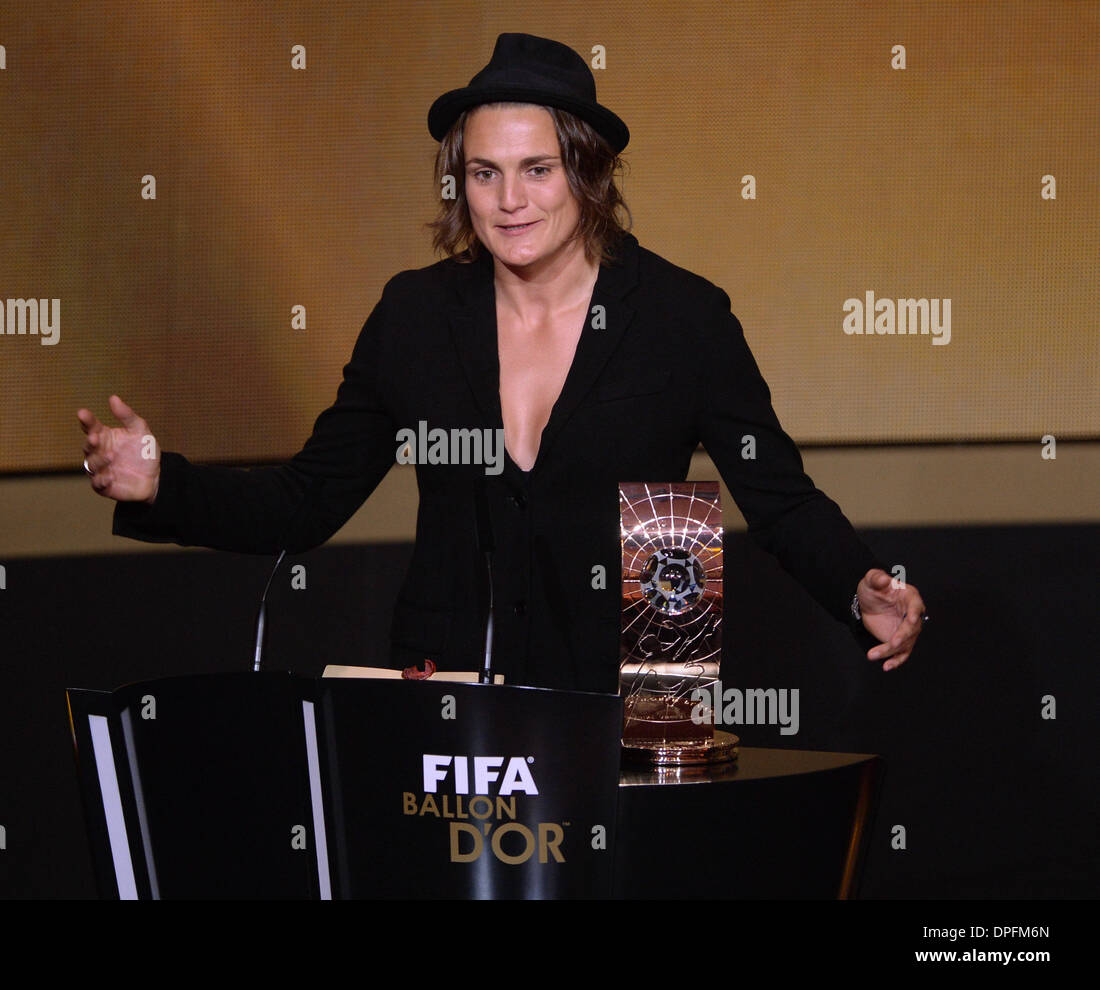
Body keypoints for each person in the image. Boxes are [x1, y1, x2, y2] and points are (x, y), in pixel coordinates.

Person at [77, 32, 926, 693]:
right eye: (484, 173)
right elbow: (309, 499)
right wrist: (165, 485)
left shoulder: (683, 318)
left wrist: (860, 588)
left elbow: (780, 500)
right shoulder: (413, 315)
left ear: (587, 173)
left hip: (633, 705)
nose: (509, 201)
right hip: (446, 702)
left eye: (536, 170)